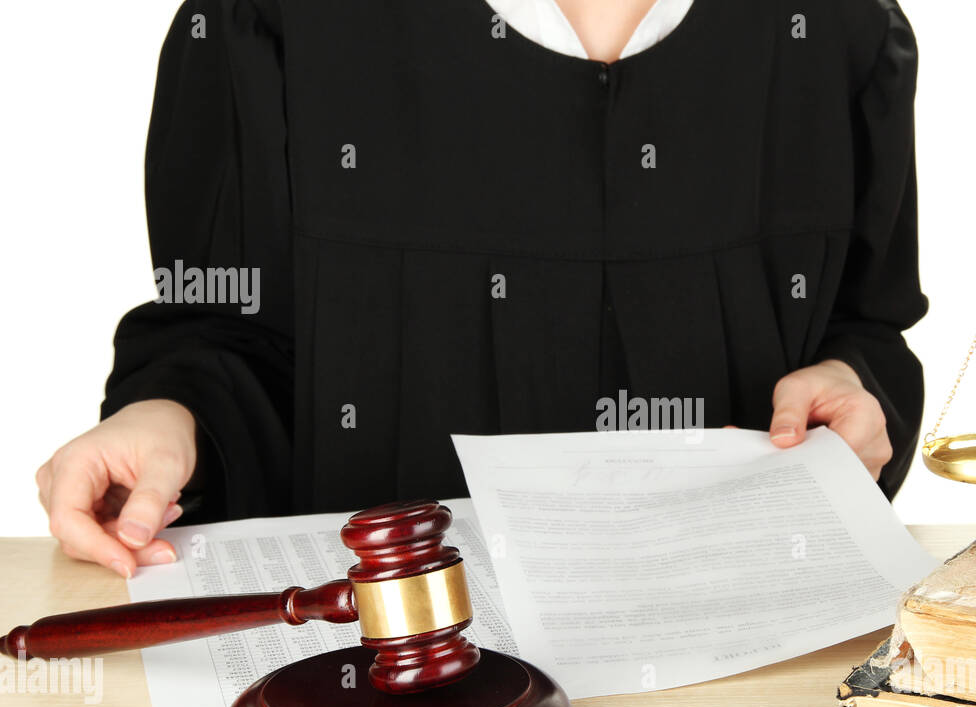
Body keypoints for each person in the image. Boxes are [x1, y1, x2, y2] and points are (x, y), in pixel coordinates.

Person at [36, 0, 927, 578]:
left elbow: (864, 326)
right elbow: (229, 337)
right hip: (381, 695)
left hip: (749, 699)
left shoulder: (836, 30)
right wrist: (170, 417)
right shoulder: (271, 21)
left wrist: (850, 387)